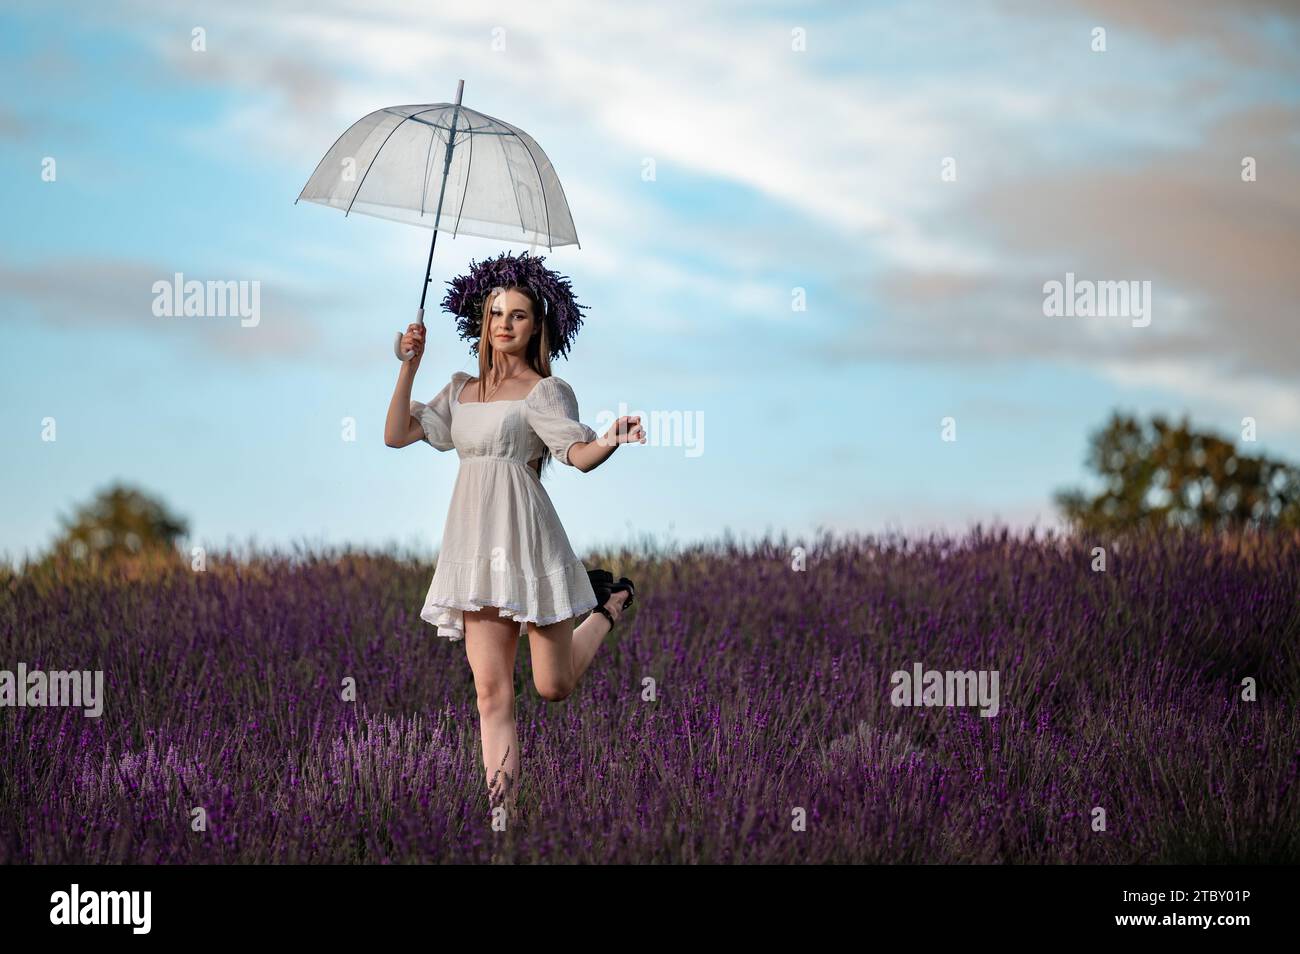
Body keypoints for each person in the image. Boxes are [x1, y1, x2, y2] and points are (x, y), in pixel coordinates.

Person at [383, 253, 644, 819]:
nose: (504, 323)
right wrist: (408, 364)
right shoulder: (459, 390)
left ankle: (606, 606)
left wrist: (612, 438)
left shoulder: (544, 392)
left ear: (537, 326)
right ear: (482, 320)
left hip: (529, 542)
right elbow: (396, 434)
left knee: (553, 687)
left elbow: (575, 455)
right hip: (474, 547)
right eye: (496, 312)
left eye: (518, 315)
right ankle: (502, 824)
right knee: (490, 695)